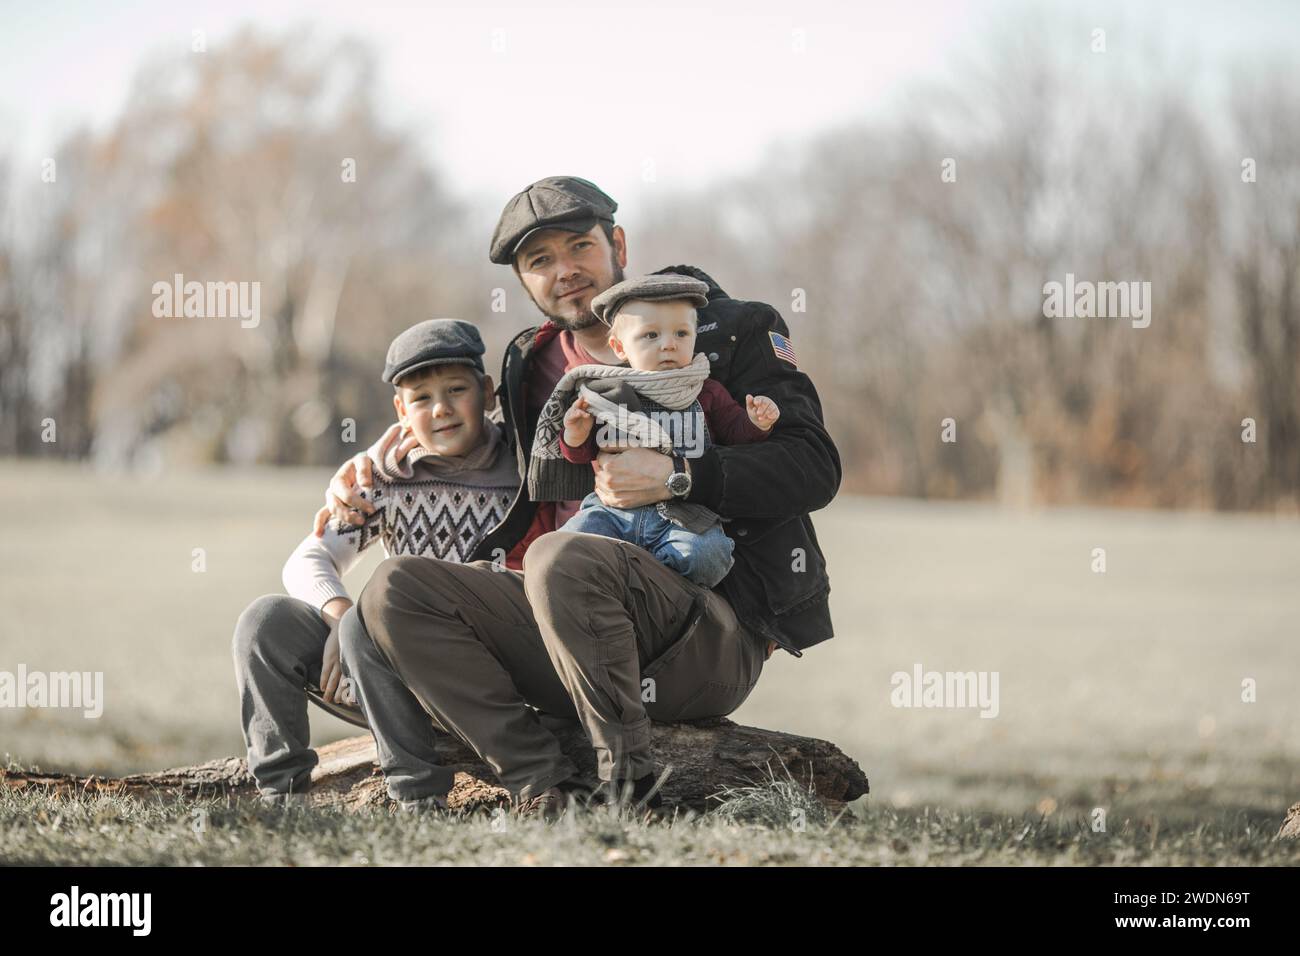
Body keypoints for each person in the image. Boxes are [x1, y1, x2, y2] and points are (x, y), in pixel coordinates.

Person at [330, 176, 840, 819]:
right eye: (540, 261)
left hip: (703, 630)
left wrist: (682, 476)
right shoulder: (530, 362)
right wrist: (371, 465)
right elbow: (468, 438)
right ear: (524, 281)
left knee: (559, 556)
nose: (564, 271)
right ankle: (543, 786)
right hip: (564, 630)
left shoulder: (726, 329)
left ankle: (630, 789)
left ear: (617, 243)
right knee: (393, 587)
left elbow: (814, 466)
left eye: (579, 247)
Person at [232, 319, 519, 806]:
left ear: (488, 392)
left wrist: (359, 630)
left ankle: (418, 794)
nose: (442, 409)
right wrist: (342, 620)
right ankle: (282, 794)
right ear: (400, 410)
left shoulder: (521, 467)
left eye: (456, 390)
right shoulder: (383, 478)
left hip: (483, 673)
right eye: (422, 398)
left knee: (375, 619)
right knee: (265, 622)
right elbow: (309, 558)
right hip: (384, 674)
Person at [541, 272, 780, 588]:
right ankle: (621, 572)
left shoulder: (704, 390)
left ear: (695, 337)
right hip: (612, 513)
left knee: (709, 556)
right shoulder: (608, 393)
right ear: (619, 346)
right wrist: (575, 433)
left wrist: (756, 422)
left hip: (684, 516)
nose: (668, 345)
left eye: (681, 333)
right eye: (651, 336)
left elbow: (734, 432)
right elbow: (581, 455)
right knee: (561, 550)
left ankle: (648, 581)